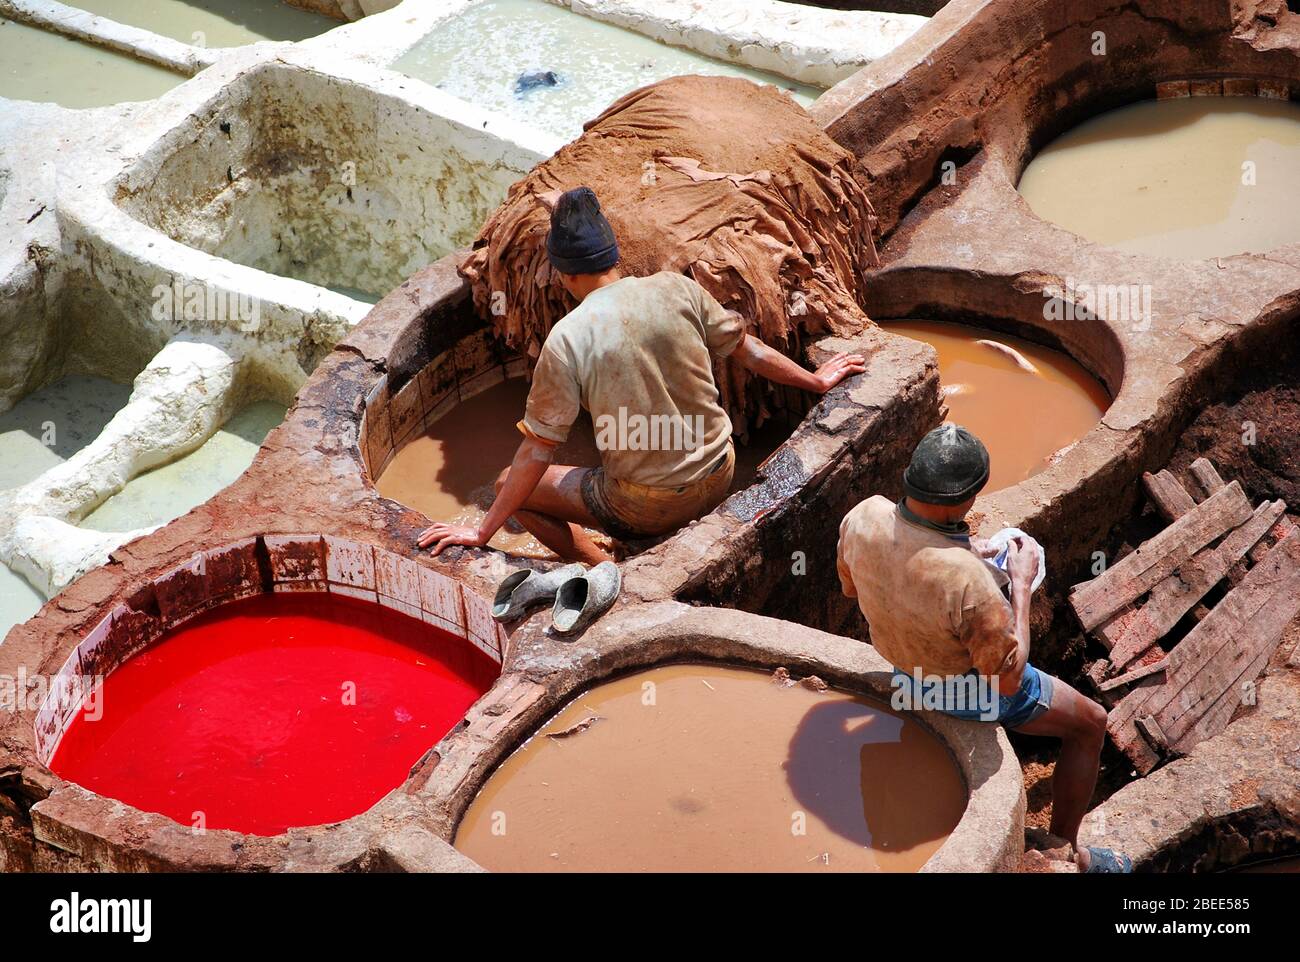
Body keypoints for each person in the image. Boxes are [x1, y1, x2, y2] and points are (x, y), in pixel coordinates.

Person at [418, 186, 865, 562]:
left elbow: (536, 452)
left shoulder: (568, 338)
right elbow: (751, 351)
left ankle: (603, 567)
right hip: (720, 470)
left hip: (645, 506)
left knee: (504, 484)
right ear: (615, 256)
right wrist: (816, 381)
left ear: (560, 273)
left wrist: (483, 531)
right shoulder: (677, 287)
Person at [835, 424, 1131, 873]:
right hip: (966, 693)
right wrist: (1021, 584)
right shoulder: (969, 585)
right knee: (1091, 722)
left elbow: (853, 589)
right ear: (969, 499)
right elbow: (1008, 679)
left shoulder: (862, 516)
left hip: (903, 673)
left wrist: (960, 547)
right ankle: (1066, 849)